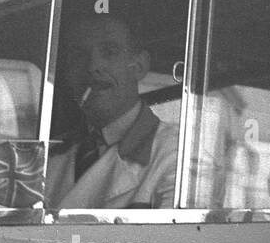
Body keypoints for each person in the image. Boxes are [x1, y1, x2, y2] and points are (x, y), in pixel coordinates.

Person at [46, 14, 178, 209]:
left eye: (109, 52)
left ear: (139, 66)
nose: (93, 67)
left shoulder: (175, 154)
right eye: (79, 56)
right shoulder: (52, 154)